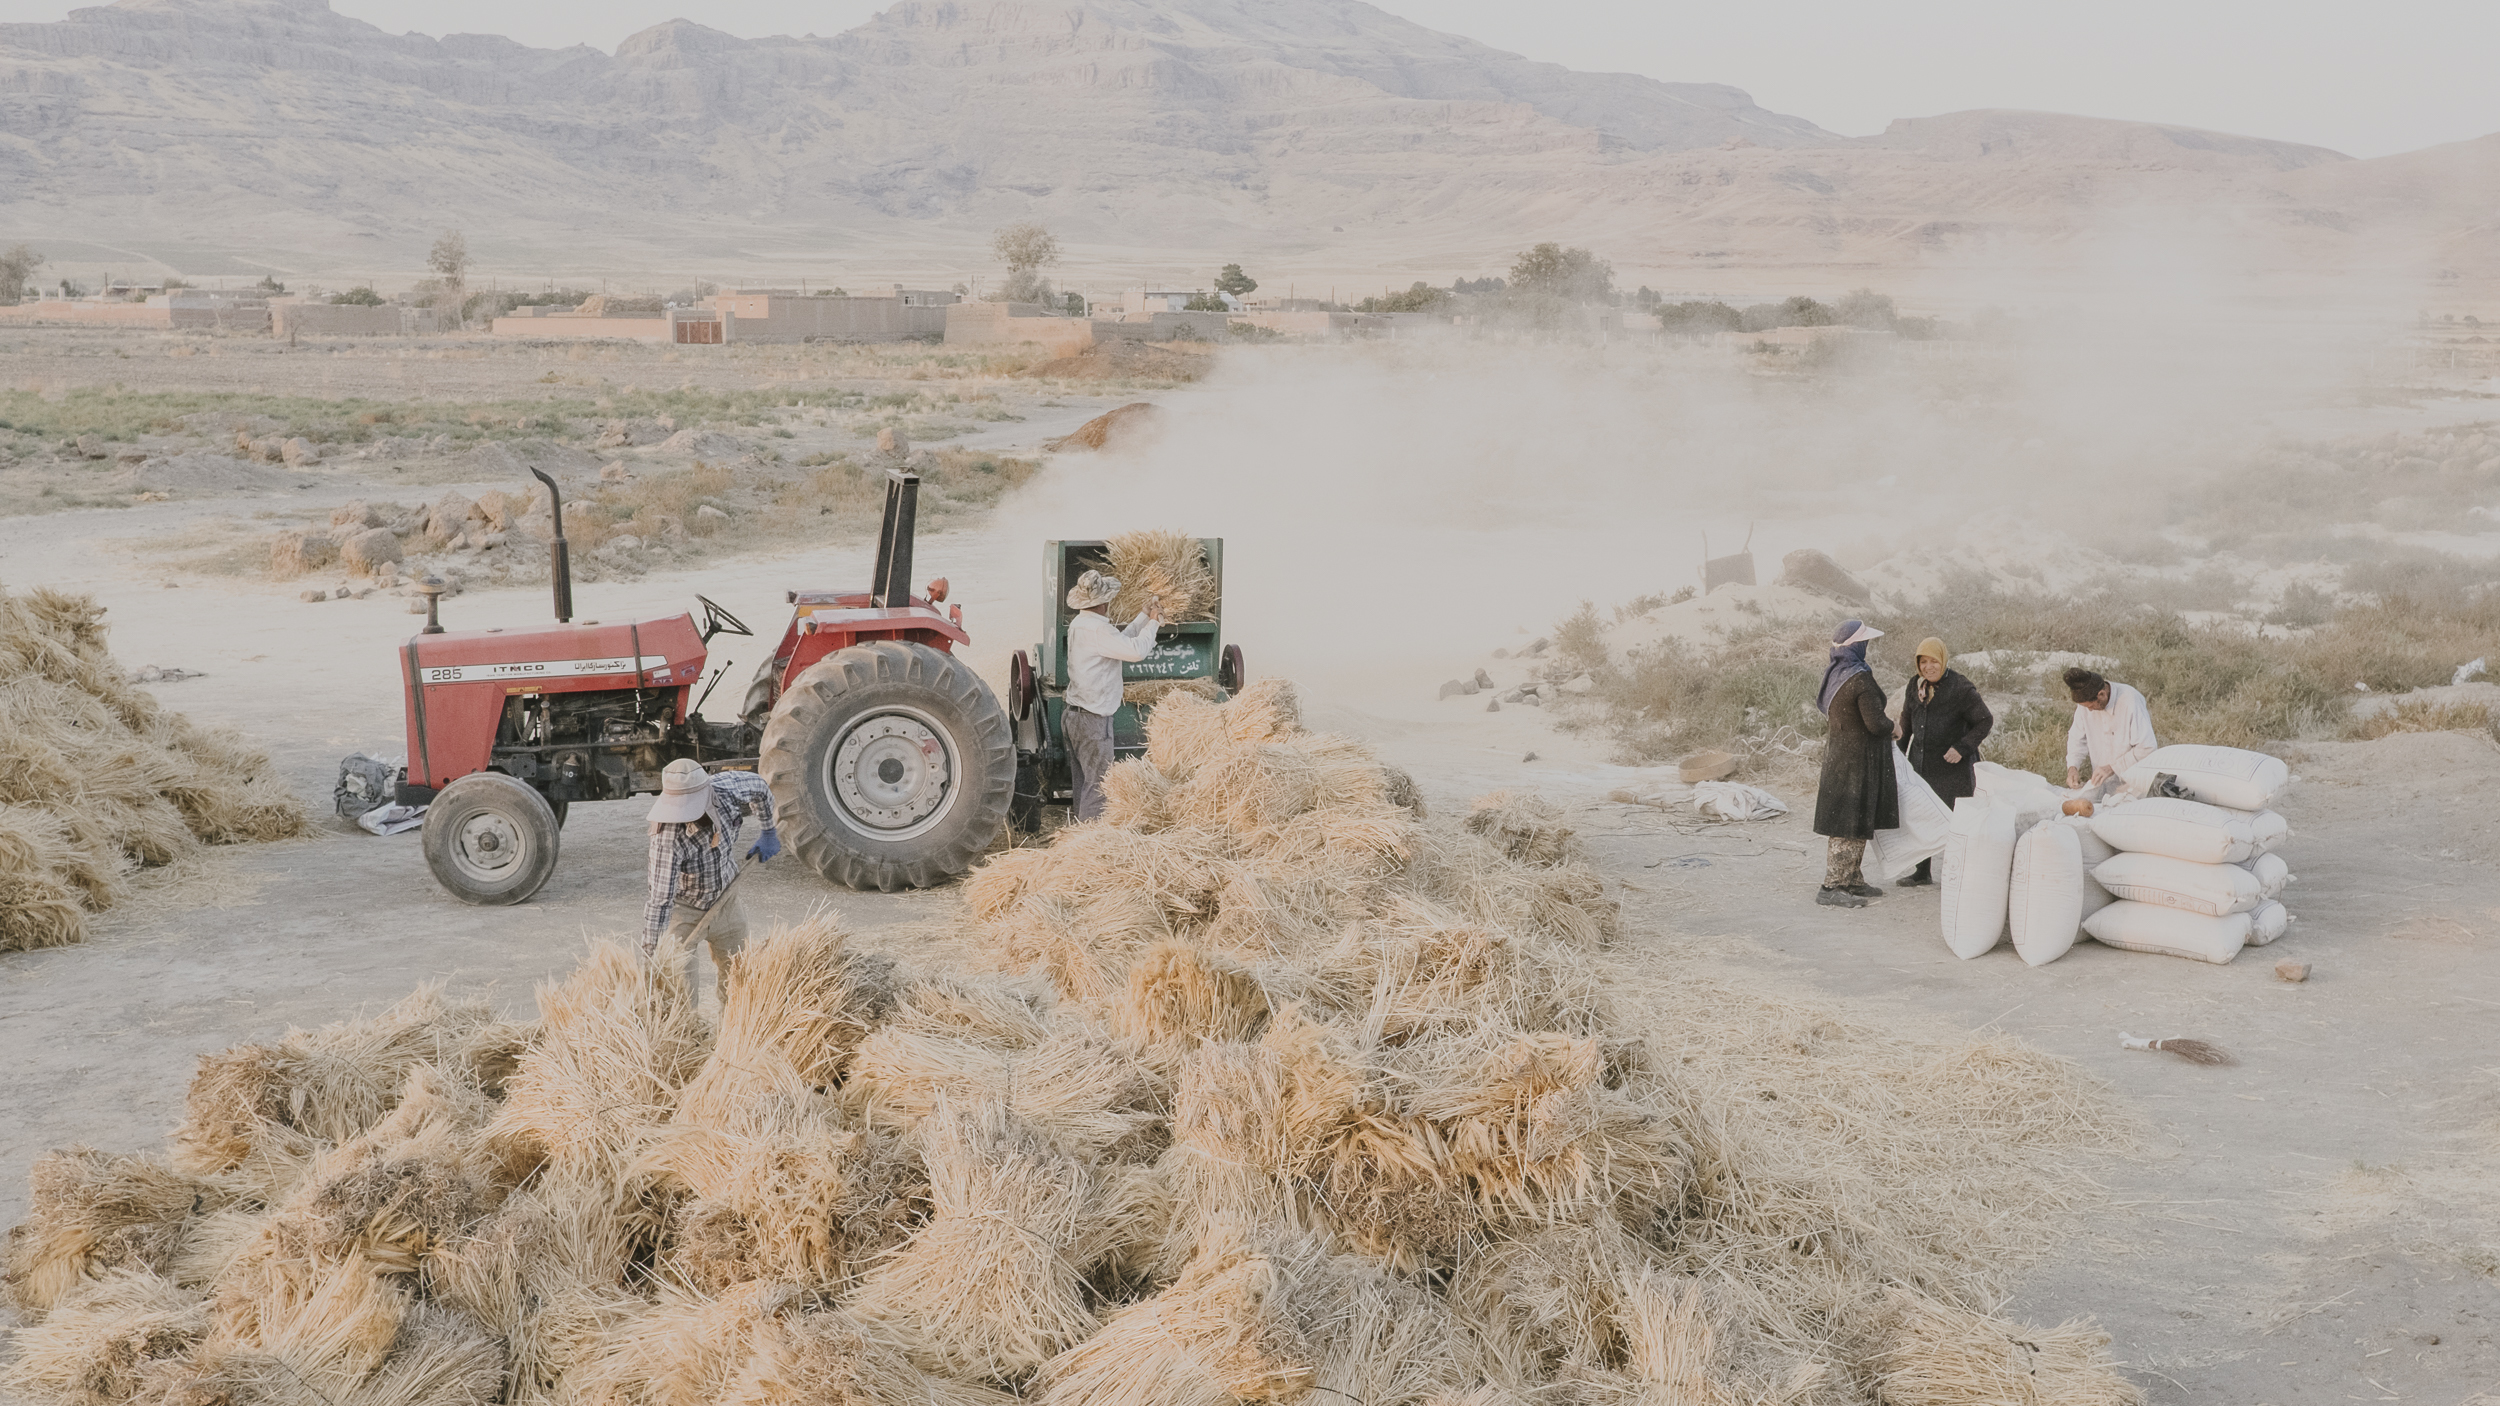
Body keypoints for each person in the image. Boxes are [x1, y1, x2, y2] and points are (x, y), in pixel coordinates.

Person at [643, 758, 778, 1000]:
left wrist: (768, 830)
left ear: (707, 796)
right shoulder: (666, 837)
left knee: (739, 982)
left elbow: (760, 788)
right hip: (685, 910)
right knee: (679, 994)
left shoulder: (728, 789)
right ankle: (690, 1035)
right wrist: (651, 956)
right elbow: (660, 901)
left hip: (726, 900)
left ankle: (732, 1034)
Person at [1892, 637, 1992, 887]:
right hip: (1922, 764)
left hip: (1953, 768)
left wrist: (1962, 747)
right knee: (1922, 818)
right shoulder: (1915, 686)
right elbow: (1906, 721)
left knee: (1956, 820)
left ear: (1943, 660)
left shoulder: (1961, 688)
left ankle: (1961, 874)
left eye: (1933, 661)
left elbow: (1984, 721)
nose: (1928, 667)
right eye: (1923, 662)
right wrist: (1897, 756)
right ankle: (1922, 872)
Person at [1063, 568, 1161, 823]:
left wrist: (1142, 616)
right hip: (1093, 721)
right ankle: (1092, 843)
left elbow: (1120, 642)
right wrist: (1154, 622)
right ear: (1104, 602)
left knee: (1083, 784)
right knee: (1099, 787)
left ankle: (1079, 835)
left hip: (1074, 716)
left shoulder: (1080, 624)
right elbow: (1136, 651)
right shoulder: (1098, 630)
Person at [1812, 619, 1898, 908]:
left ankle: (1851, 879)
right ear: (1858, 646)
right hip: (1856, 760)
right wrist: (1893, 727)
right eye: (1865, 643)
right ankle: (1832, 886)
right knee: (1847, 821)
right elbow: (1875, 723)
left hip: (1841, 756)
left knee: (1855, 816)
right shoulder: (1859, 678)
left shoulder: (1835, 674)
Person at [2062, 667, 2157, 797]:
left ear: (2101, 695)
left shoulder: (2130, 700)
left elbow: (2147, 747)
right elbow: (2076, 738)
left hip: (2134, 783)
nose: (2089, 711)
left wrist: (2112, 768)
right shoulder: (2085, 705)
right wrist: (2072, 767)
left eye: (2090, 706)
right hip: (2103, 784)